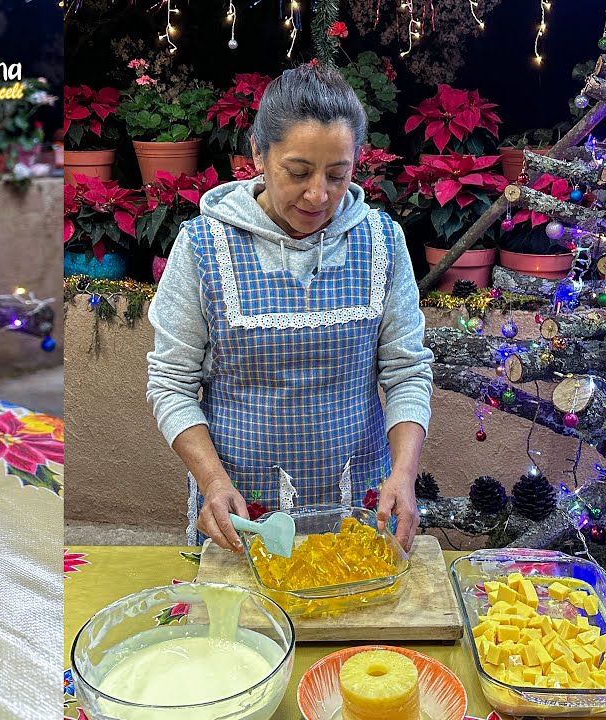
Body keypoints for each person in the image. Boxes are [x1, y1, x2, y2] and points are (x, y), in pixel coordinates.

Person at [146, 63, 433, 553]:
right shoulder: (203, 246)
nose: (319, 194)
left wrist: (404, 475)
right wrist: (213, 482)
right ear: (258, 152)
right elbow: (171, 384)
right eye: (298, 172)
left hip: (362, 503)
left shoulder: (382, 241)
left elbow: (406, 371)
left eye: (338, 175)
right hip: (242, 509)